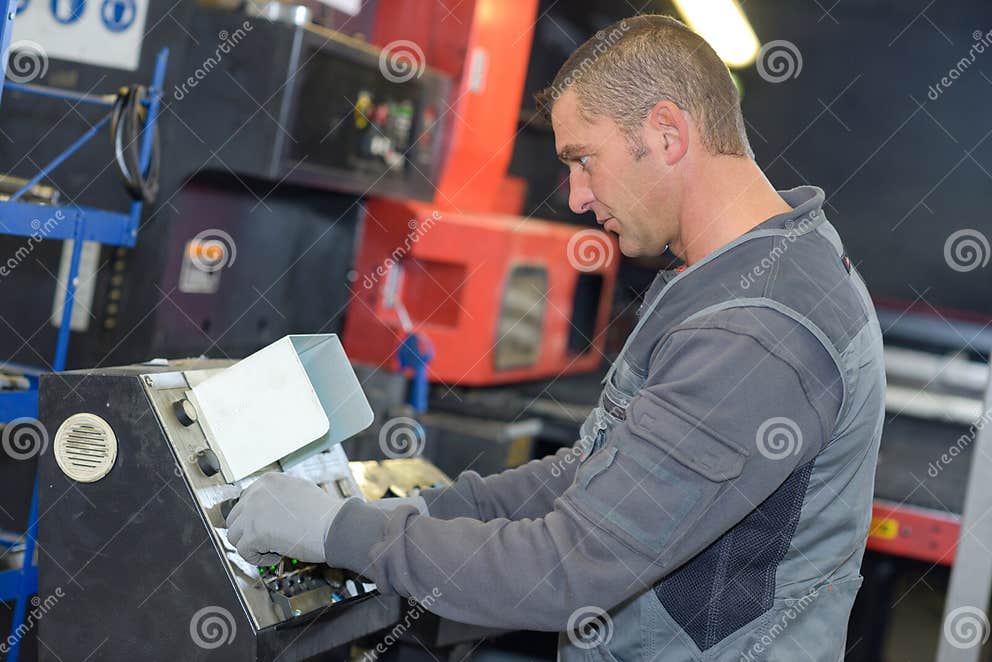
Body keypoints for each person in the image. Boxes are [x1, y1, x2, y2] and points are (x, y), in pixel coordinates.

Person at [226, 14, 885, 661]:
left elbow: (568, 568)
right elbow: (595, 476)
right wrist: (429, 507)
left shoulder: (756, 329)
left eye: (583, 160)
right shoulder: (730, 275)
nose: (574, 195)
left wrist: (340, 532)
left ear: (665, 133)